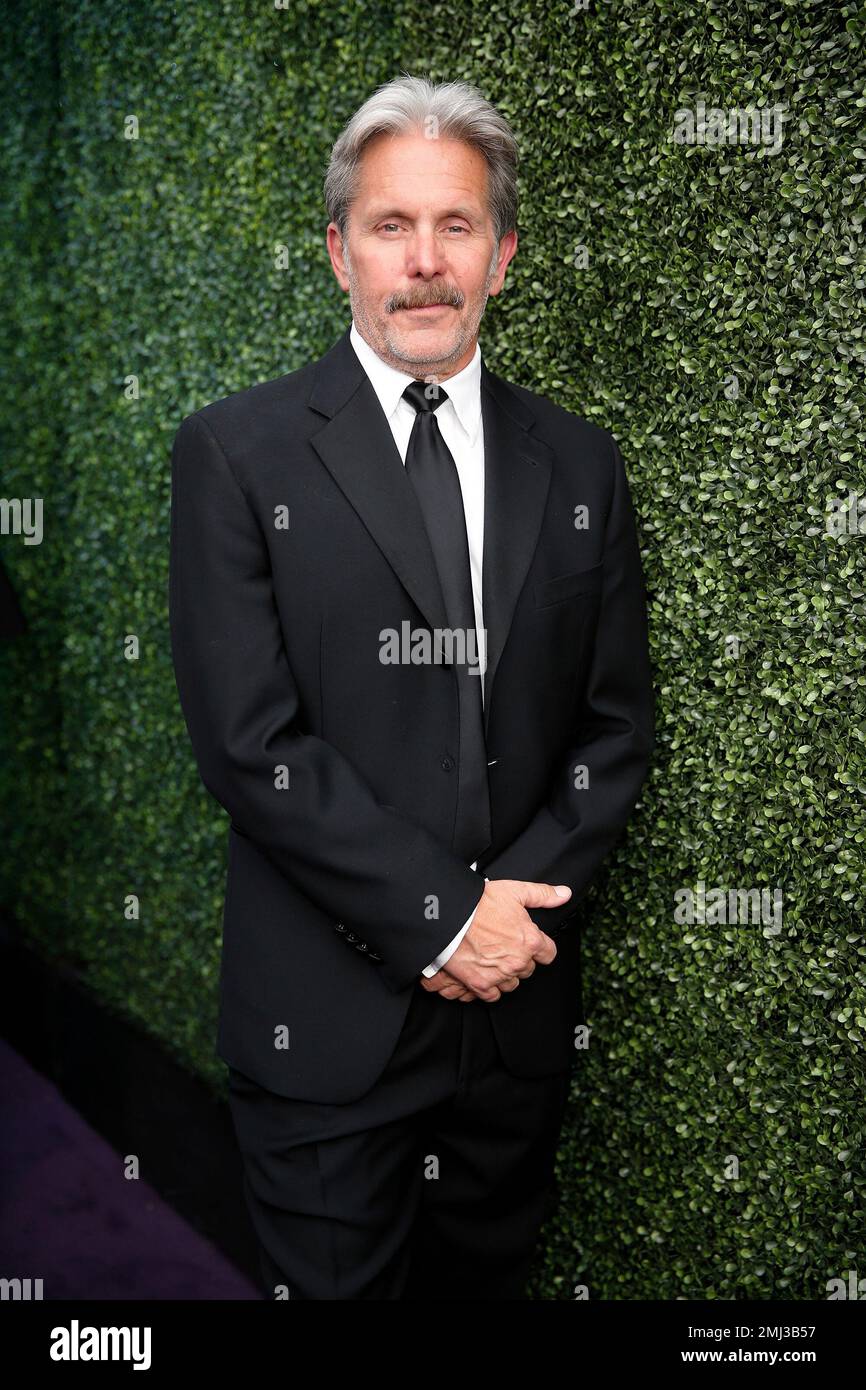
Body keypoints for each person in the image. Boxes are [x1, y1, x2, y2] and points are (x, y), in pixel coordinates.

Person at [168, 73, 654, 1300]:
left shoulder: (581, 462)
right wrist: (446, 917)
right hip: (325, 1033)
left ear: (502, 254)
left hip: (514, 1027)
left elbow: (611, 728)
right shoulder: (235, 453)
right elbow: (247, 740)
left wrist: (511, 927)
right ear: (339, 252)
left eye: (456, 226)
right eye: (391, 226)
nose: (424, 261)